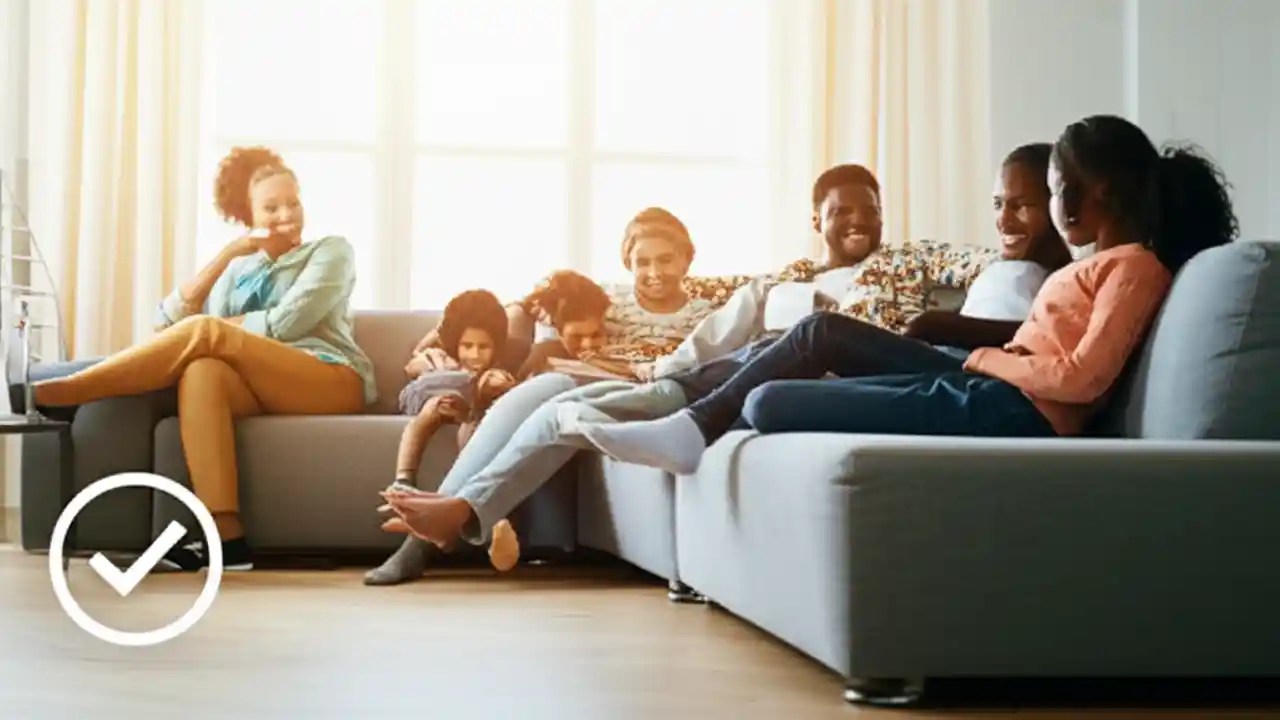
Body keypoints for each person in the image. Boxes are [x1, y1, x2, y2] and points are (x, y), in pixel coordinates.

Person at [367, 162, 995, 575]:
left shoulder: (912, 259)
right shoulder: (786, 278)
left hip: (818, 373)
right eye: (842, 212)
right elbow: (689, 289)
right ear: (816, 220)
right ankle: (455, 513)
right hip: (728, 369)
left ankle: (454, 515)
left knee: (565, 401)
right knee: (556, 396)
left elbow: (991, 261)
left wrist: (965, 321)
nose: (859, 221)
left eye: (870, 210)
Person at [576, 115, 1239, 475]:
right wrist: (974, 350)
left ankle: (688, 422)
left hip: (1014, 409)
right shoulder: (1104, 264)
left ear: (1097, 193)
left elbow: (1083, 378)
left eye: (1054, 188)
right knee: (816, 334)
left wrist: (989, 360)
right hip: (991, 386)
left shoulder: (1136, 268)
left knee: (769, 399)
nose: (1046, 205)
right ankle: (688, 426)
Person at [31, 147, 376, 571]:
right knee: (202, 370)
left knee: (208, 334)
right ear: (247, 217)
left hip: (330, 379)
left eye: (294, 202)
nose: (288, 214)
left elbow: (287, 323)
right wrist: (229, 255)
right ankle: (227, 538)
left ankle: (67, 392)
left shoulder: (331, 252)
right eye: (271, 207)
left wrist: (221, 327)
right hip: (262, 387)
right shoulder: (238, 271)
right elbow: (168, 322)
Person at [363, 207, 719, 585]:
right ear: (627, 262)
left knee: (560, 406)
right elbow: (521, 308)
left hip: (645, 394)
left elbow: (705, 375)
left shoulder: (708, 314)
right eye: (641, 261)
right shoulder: (609, 300)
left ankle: (432, 533)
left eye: (665, 259)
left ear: (686, 258)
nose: (654, 272)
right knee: (543, 387)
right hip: (586, 380)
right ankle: (424, 538)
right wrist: (428, 351)